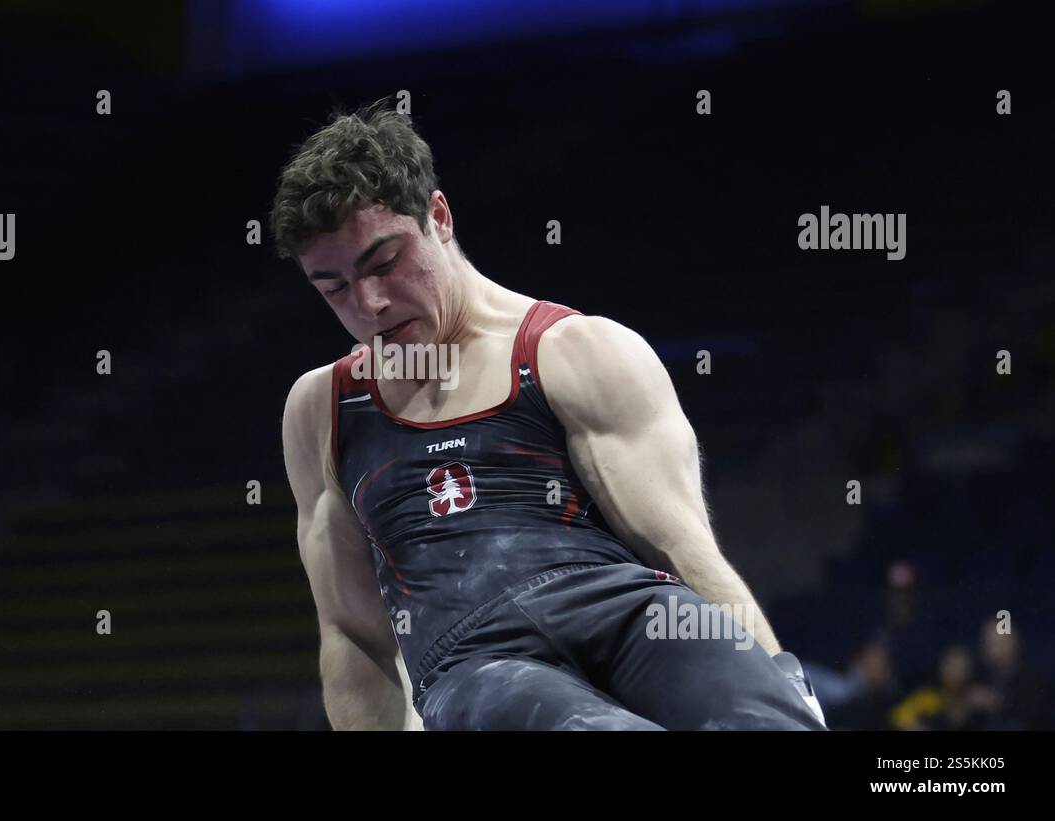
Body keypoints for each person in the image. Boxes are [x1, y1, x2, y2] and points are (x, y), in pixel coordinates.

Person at [272, 99, 825, 730]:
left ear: (439, 217)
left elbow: (685, 551)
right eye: (334, 288)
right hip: (477, 665)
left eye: (384, 262)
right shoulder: (326, 410)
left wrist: (780, 681)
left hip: (630, 614)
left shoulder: (577, 352)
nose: (368, 304)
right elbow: (352, 634)